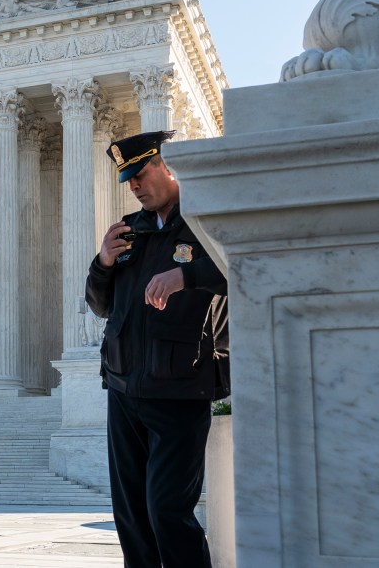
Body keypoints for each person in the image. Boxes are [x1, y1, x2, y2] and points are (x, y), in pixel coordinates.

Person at [85, 130, 229, 568]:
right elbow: (98, 304)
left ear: (167, 166)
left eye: (141, 174)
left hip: (181, 389)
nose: (134, 185)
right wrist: (103, 262)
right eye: (128, 180)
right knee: (131, 517)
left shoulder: (207, 220)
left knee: (167, 510)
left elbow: (240, 267)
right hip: (125, 390)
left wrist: (185, 276)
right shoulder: (131, 232)